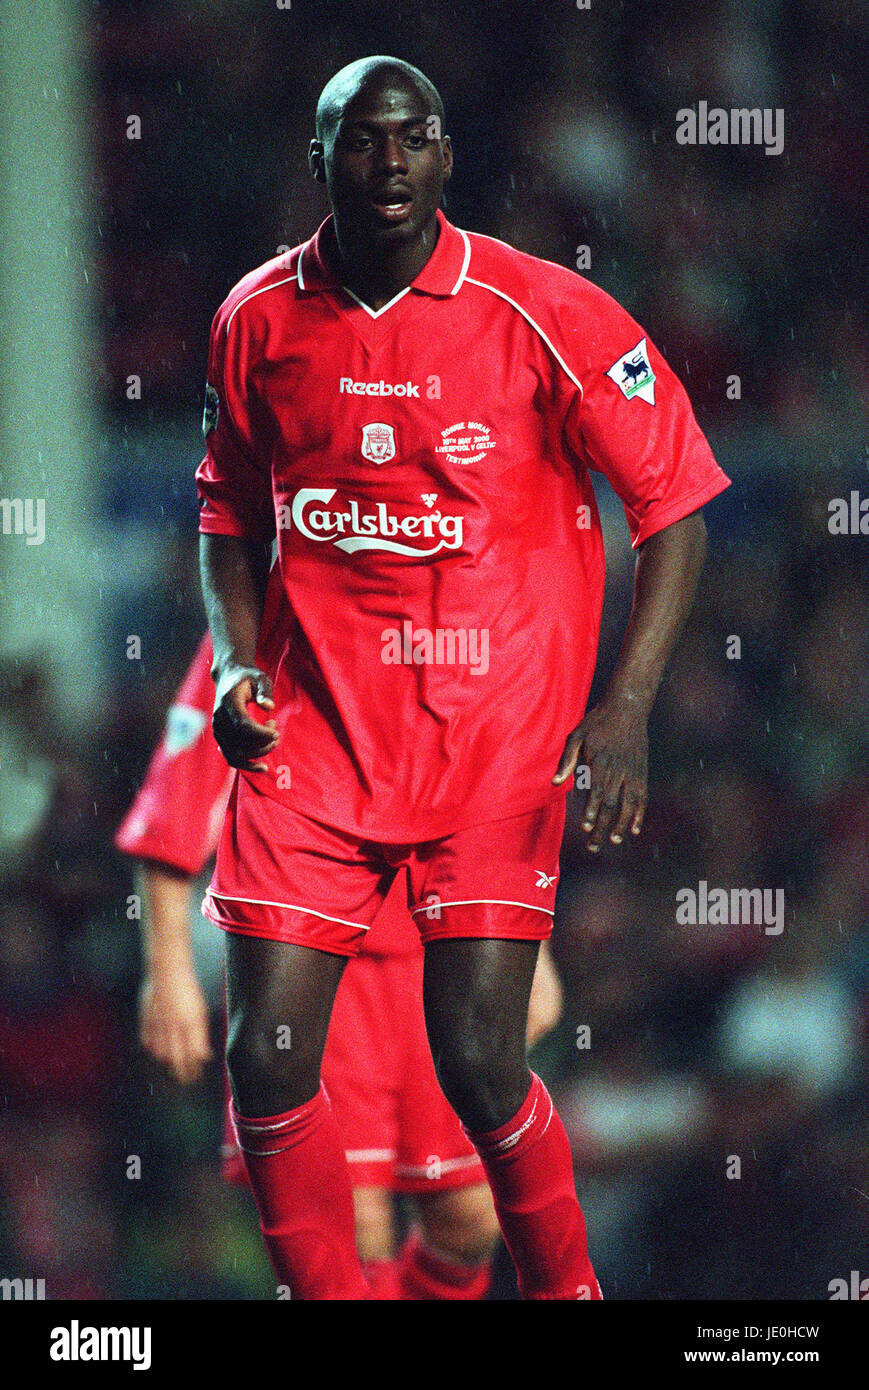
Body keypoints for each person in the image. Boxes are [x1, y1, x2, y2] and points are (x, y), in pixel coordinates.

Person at [196, 55, 730, 1300]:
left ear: (446, 156)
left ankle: (568, 1292)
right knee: (265, 1060)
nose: (390, 163)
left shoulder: (545, 308)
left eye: (414, 138)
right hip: (314, 743)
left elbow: (677, 505)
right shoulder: (256, 317)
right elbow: (224, 510)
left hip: (495, 741)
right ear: (318, 159)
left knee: (481, 1064)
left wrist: (629, 704)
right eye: (362, 141)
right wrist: (231, 660)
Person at [115, 630, 565, 1299]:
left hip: (442, 957)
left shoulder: (453, 608)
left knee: (470, 1218)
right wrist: (169, 971)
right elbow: (175, 796)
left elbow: (495, 791)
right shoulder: (256, 624)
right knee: (352, 1228)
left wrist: (534, 949)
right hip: (316, 970)